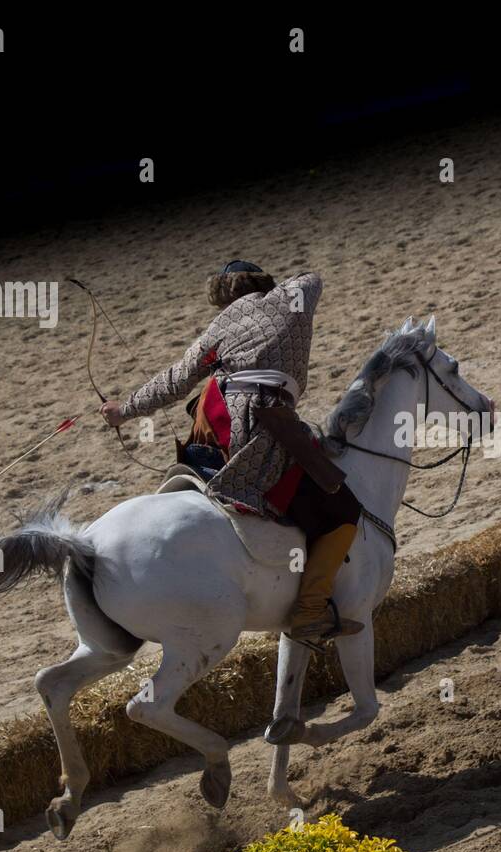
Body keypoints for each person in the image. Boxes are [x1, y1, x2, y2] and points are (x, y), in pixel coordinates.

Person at [99, 260, 363, 643]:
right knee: (342, 508)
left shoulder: (221, 326)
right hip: (264, 423)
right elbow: (313, 277)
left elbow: (175, 380)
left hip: (222, 426)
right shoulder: (292, 299)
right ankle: (309, 611)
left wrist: (124, 410)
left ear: (224, 296)